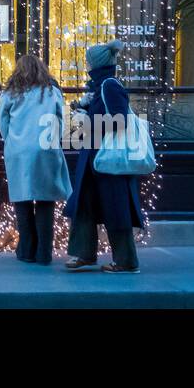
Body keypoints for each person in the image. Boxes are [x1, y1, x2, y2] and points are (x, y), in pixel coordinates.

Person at [64, 39, 145, 273]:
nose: (86, 63)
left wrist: (86, 120)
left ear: (95, 63)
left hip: (109, 160)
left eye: (88, 60)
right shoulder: (99, 86)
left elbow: (120, 121)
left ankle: (126, 261)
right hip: (94, 159)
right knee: (84, 205)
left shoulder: (109, 85)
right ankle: (84, 254)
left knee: (115, 208)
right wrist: (83, 109)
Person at [0, 54, 72, 265]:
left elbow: (3, 125)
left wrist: (13, 141)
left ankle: (26, 250)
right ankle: (44, 253)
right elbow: (61, 121)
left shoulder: (9, 93)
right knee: (45, 201)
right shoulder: (51, 92)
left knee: (22, 199)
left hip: (19, 152)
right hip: (45, 149)